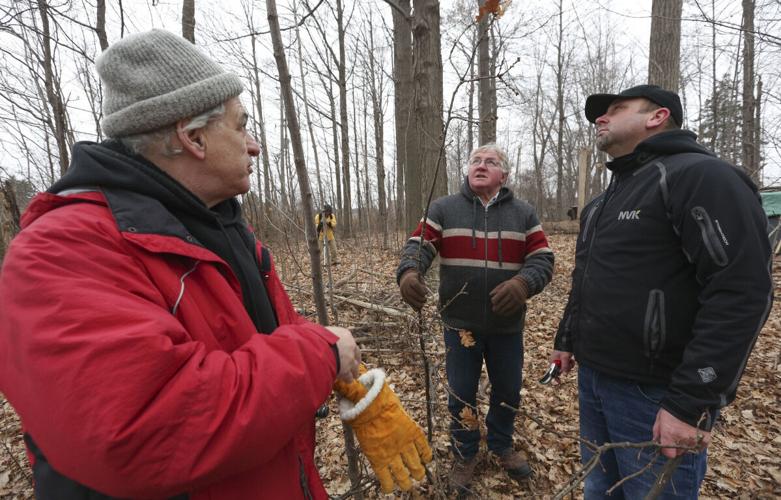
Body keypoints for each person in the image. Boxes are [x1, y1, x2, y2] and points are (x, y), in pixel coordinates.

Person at [0, 29, 363, 499]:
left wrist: (337, 365)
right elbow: (145, 429)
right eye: (240, 126)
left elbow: (264, 339)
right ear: (193, 138)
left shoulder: (219, 230)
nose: (254, 146)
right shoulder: (62, 251)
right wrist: (320, 354)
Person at [552, 85, 773, 499]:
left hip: (656, 394)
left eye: (616, 109)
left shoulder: (702, 177)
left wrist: (691, 402)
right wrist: (567, 338)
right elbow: (587, 278)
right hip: (595, 379)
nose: (601, 118)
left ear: (658, 116)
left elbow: (742, 291)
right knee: (600, 488)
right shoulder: (604, 201)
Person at [397, 143, 554, 494]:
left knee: (508, 390)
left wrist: (522, 283)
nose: (481, 166)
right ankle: (465, 453)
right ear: (467, 169)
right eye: (475, 161)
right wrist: (409, 272)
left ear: (504, 175)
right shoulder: (444, 209)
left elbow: (543, 260)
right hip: (459, 324)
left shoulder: (523, 214)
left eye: (491, 162)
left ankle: (500, 444)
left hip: (506, 327)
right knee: (461, 392)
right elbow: (418, 245)